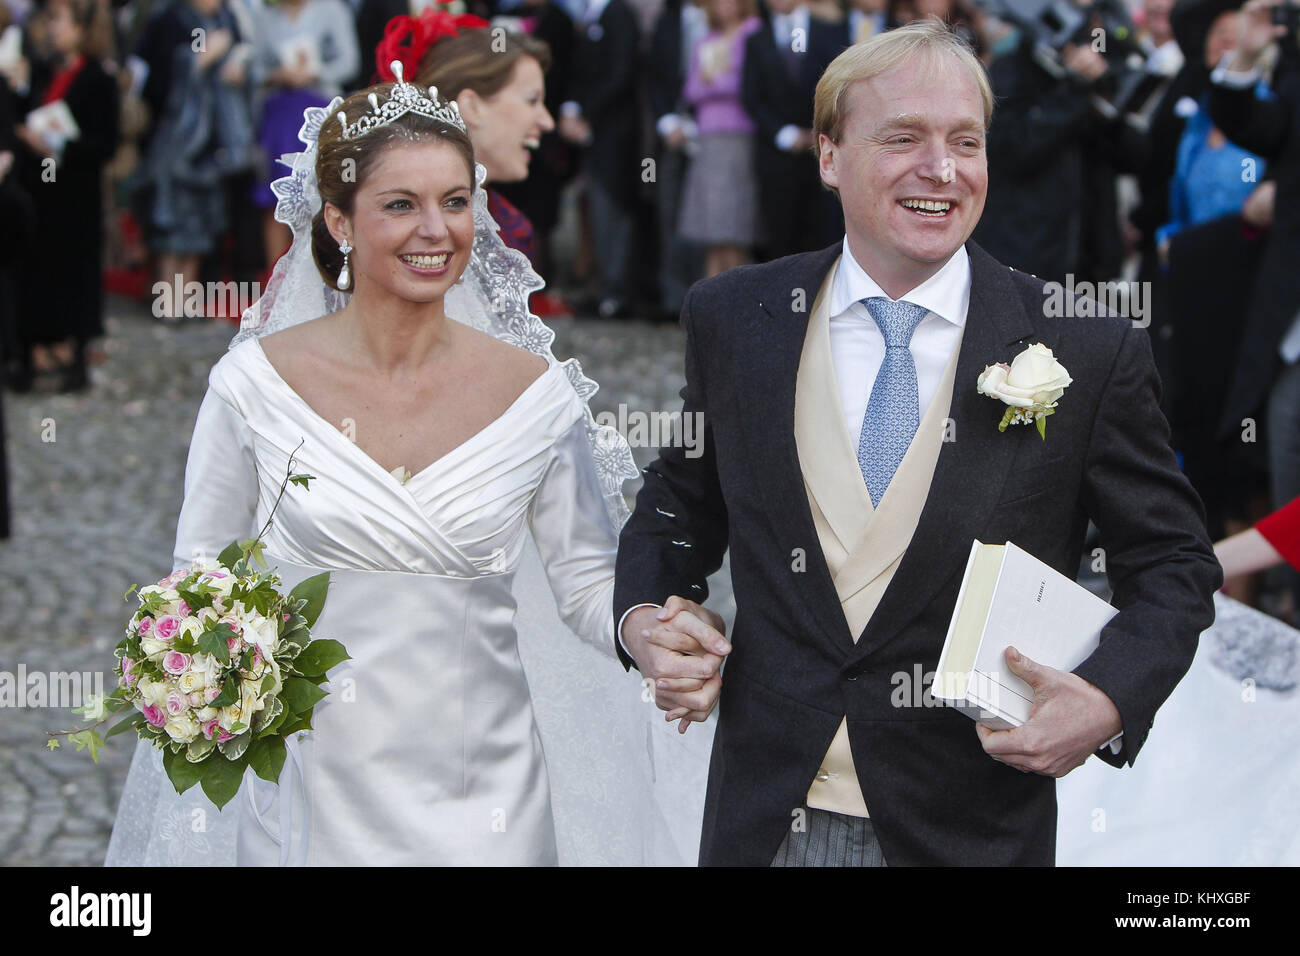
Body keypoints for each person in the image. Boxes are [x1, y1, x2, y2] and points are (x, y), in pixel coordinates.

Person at [613, 21, 1221, 866]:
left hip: (968, 827)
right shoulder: (734, 316)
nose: (941, 170)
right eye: (903, 138)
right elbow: (679, 501)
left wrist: (1109, 698)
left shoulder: (1083, 346)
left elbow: (1174, 564)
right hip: (764, 818)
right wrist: (645, 617)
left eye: (964, 142)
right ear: (829, 156)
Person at [105, 69, 712, 865]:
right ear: (339, 219)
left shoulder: (536, 396)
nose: (438, 229)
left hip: (487, 809)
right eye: (401, 204)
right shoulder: (254, 388)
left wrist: (645, 627)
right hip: (306, 807)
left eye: (456, 201)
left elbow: (587, 580)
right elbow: (197, 582)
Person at [12, 0, 118, 390]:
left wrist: (56, 145)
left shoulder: (98, 78)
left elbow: (104, 144)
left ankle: (75, 357)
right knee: (37, 273)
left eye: (60, 20)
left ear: (82, 28)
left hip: (75, 197)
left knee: (75, 275)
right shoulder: (41, 72)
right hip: (40, 194)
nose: (53, 28)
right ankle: (33, 351)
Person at [677, 0, 763, 277]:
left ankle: (736, 297)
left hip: (739, 134)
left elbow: (747, 84)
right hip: (708, 138)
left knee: (734, 222)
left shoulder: (753, 31)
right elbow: (691, 89)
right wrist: (718, 80)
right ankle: (711, 298)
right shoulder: (708, 37)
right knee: (713, 225)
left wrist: (712, 80)